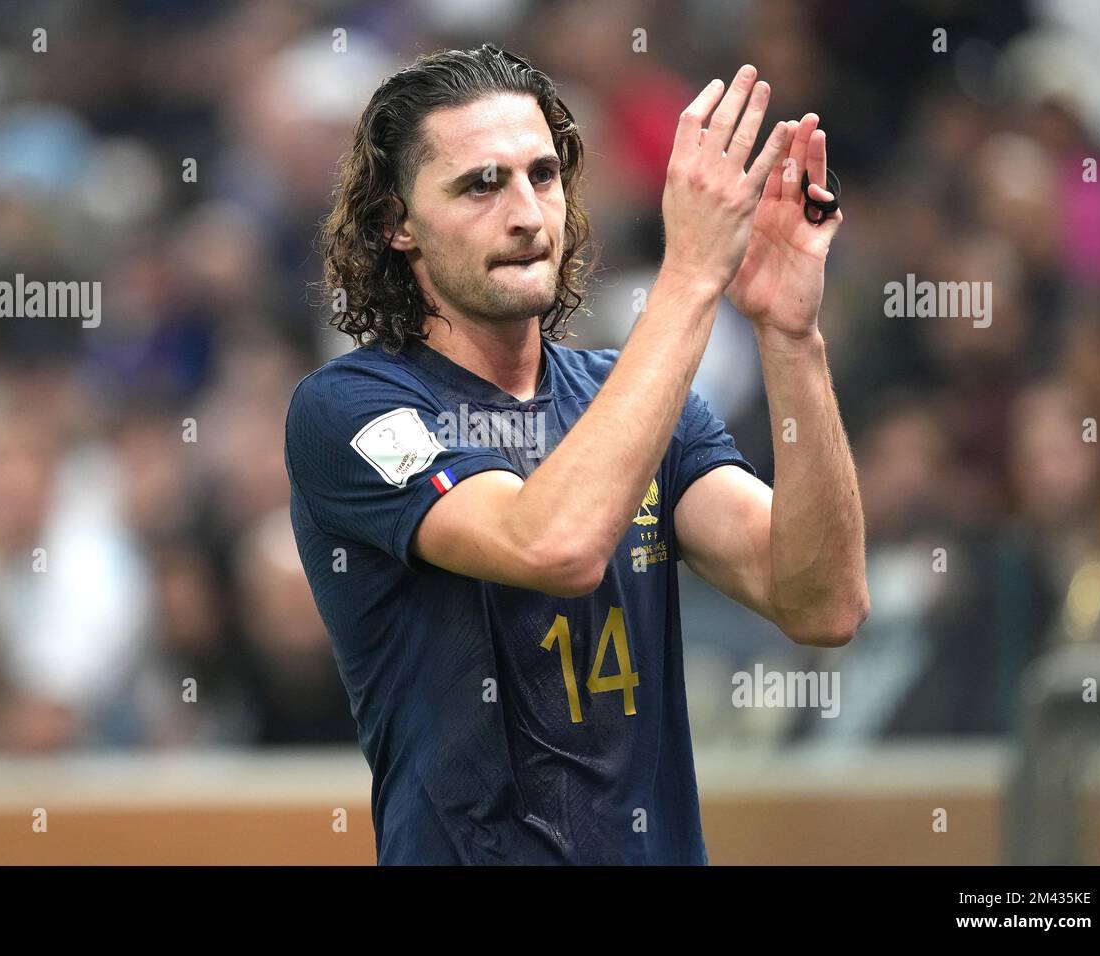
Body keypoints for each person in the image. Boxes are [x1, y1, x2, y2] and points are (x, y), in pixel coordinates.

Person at [285, 44, 868, 864]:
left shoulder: (629, 398)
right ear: (395, 224)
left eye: (543, 175)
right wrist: (693, 271)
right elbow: (553, 543)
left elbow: (821, 603)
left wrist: (791, 335)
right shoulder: (350, 408)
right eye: (481, 184)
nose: (527, 213)